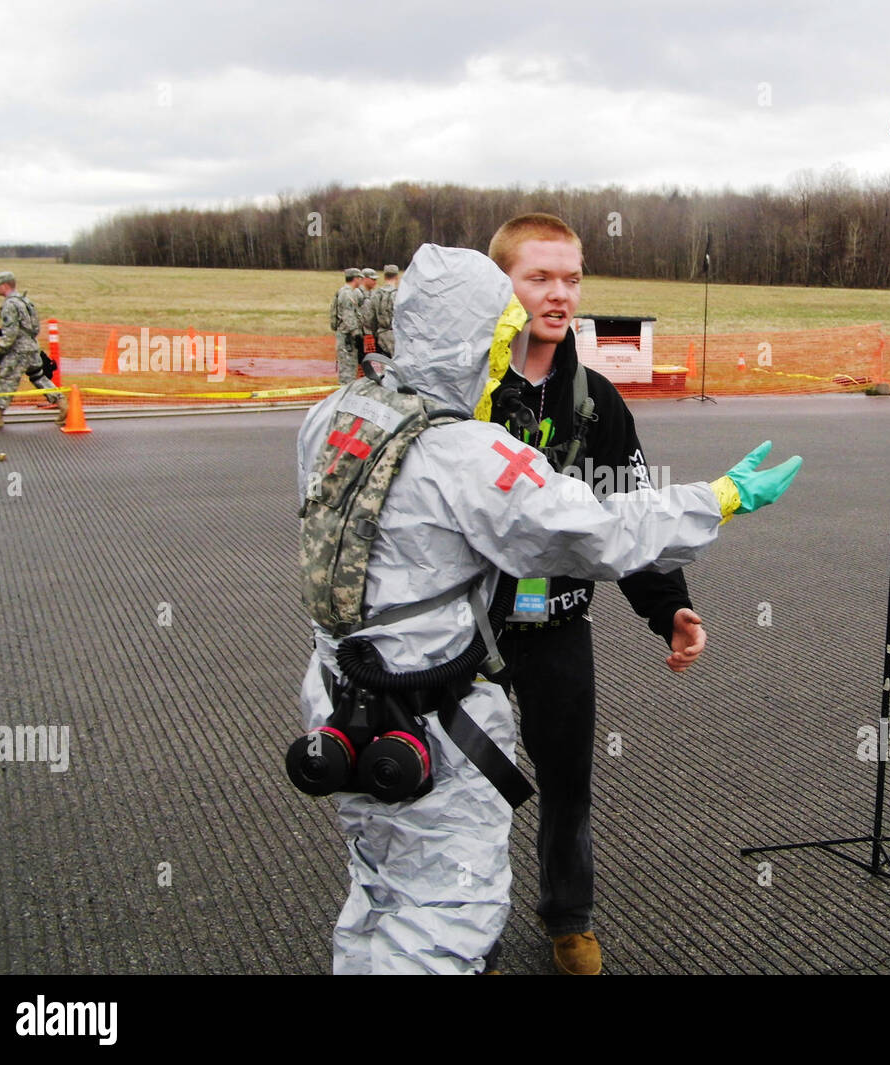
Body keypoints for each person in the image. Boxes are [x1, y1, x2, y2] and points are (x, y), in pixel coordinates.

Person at [294, 243, 801, 974]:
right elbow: (596, 529)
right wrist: (719, 498)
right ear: (481, 333)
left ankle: (559, 919)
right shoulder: (464, 452)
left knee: (379, 882)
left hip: (344, 696)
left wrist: (667, 605)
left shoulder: (334, 417)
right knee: (443, 914)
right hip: (432, 702)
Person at [487, 213, 698, 974]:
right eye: (538, 277)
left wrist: (666, 606)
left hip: (559, 623)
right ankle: (461, 925)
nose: (559, 294)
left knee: (568, 780)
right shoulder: (465, 396)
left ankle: (567, 915)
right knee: (462, 784)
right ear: (501, 285)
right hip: (465, 630)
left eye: (571, 278)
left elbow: (631, 513)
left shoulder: (598, 402)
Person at [0, 271, 67, 428]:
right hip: (32, 347)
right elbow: (35, 327)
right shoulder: (25, 301)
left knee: (5, 378)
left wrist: (0, 351)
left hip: (17, 350)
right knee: (39, 377)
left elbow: (10, 333)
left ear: (5, 285)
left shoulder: (9, 305)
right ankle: (63, 405)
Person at [330, 268, 364, 384]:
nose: (361, 281)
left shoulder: (348, 292)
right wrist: (357, 334)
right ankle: (345, 395)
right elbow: (348, 315)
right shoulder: (347, 294)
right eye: (360, 278)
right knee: (347, 371)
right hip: (347, 337)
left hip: (348, 336)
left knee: (350, 368)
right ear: (355, 278)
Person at [371, 264, 400, 356]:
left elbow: (372, 318)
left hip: (381, 333)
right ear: (397, 276)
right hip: (396, 334)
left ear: (384, 276)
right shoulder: (399, 294)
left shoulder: (376, 294)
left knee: (384, 363)